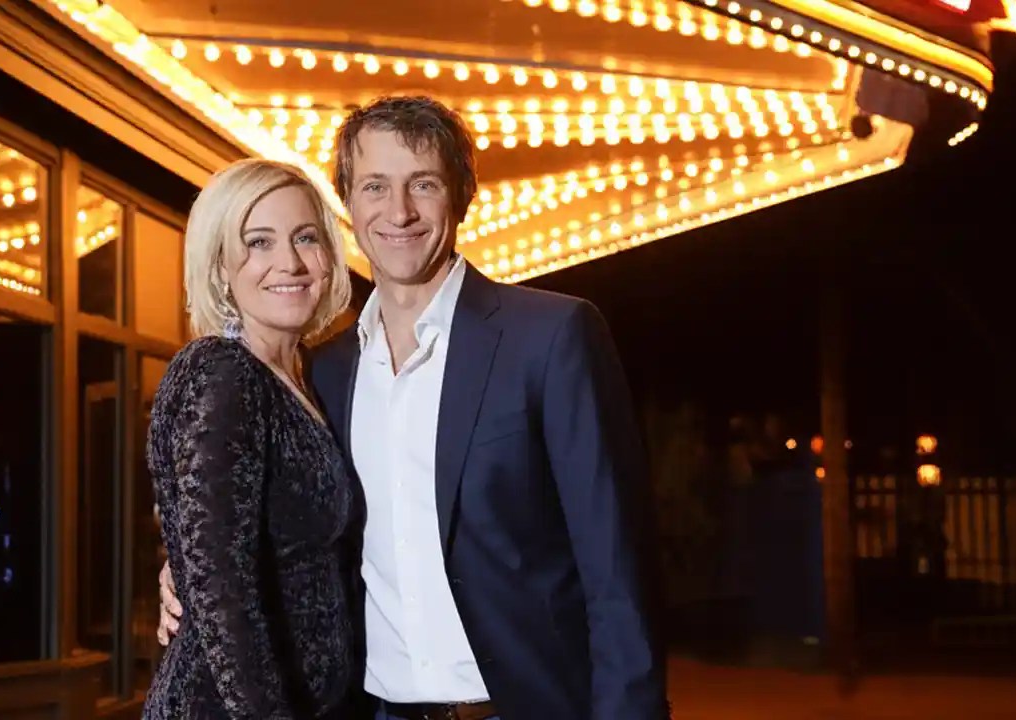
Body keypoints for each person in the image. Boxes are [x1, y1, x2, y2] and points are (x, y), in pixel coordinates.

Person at [159, 96, 669, 720]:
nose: (398, 212)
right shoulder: (325, 371)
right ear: (349, 201)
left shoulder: (553, 337)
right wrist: (184, 568)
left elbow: (618, 571)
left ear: (461, 195)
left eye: (422, 184)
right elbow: (277, 521)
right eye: (375, 186)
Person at [143, 158, 355, 719]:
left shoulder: (305, 377)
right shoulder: (222, 372)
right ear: (220, 265)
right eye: (259, 242)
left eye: (305, 237)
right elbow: (220, 591)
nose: (288, 261)